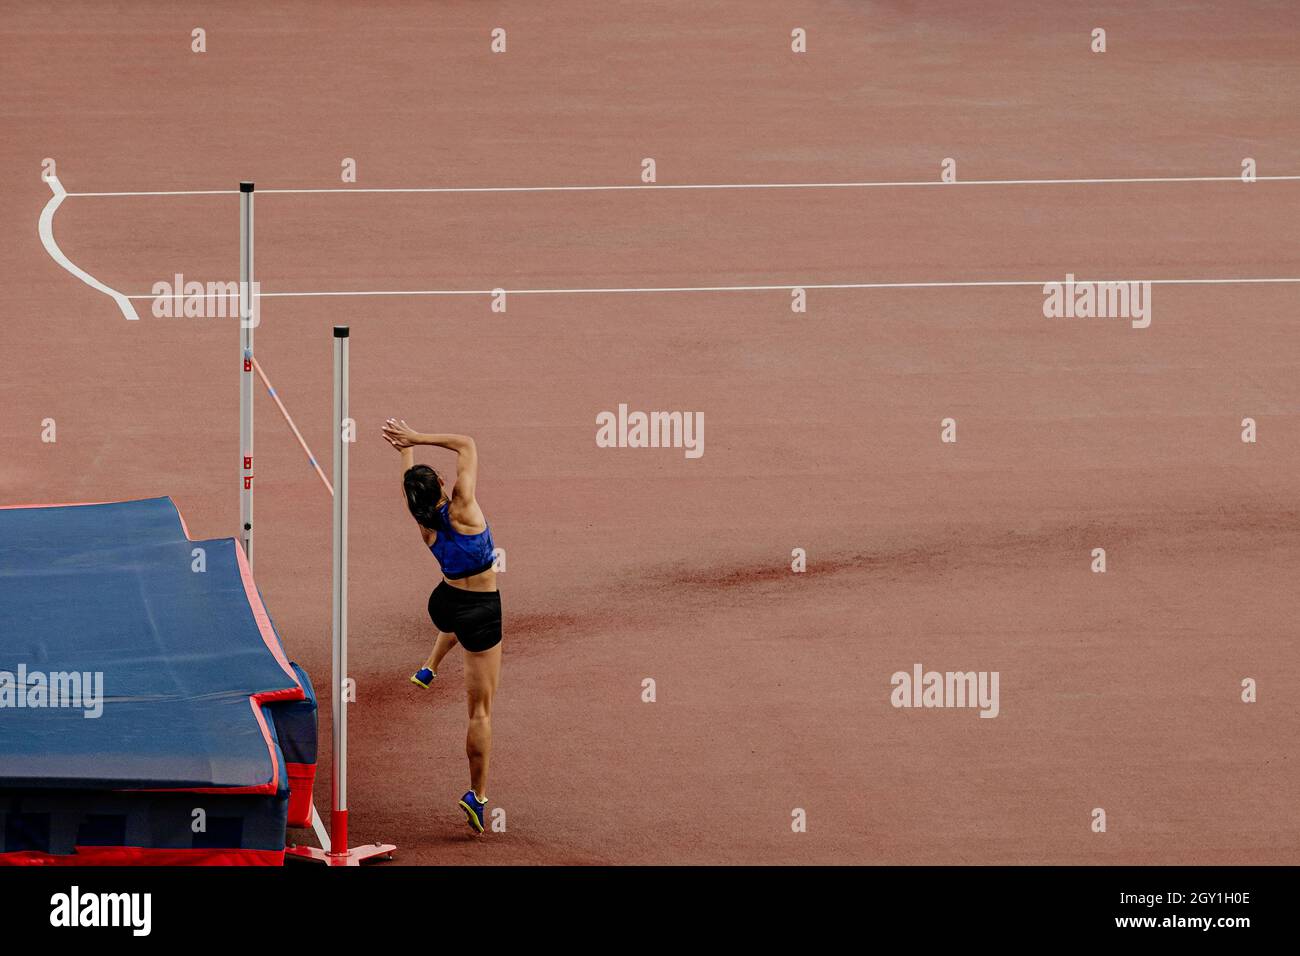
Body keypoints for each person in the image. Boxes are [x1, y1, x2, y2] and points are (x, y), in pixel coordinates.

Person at [381, 418, 501, 835]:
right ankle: (477, 795)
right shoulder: (463, 505)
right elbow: (466, 442)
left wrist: (404, 452)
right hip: (481, 609)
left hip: (445, 602)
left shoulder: (424, 524)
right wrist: (415, 438)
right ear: (443, 486)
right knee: (480, 712)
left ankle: (429, 667)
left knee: (454, 624)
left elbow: (408, 491)